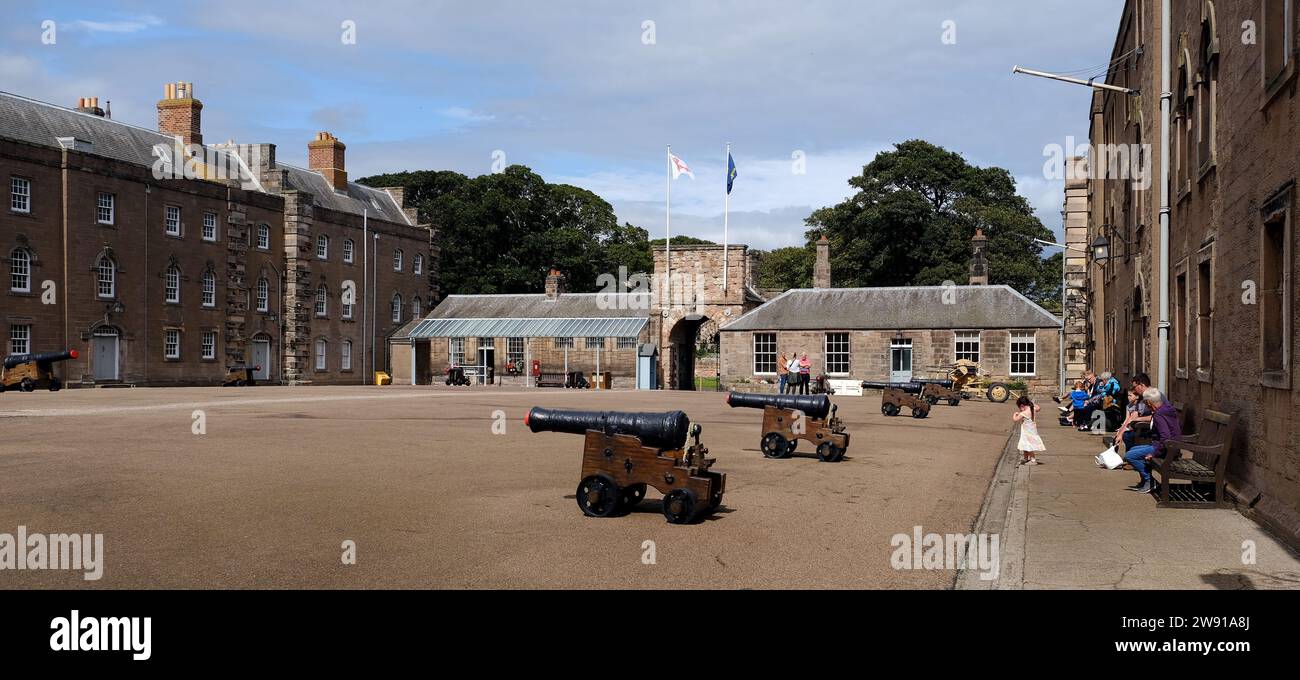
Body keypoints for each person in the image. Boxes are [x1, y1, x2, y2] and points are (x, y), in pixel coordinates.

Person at [1122, 389, 1183, 494]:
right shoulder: (1165, 409)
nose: (1145, 405)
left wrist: (1154, 453)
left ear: (1149, 402)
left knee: (1130, 455)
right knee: (1133, 449)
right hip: (1170, 446)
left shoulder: (1159, 414)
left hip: (1167, 449)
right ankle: (1145, 481)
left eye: (1145, 402)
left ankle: (1149, 481)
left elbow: (1165, 437)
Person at [1113, 373, 1162, 451]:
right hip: (1144, 427)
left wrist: (1138, 419)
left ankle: (1131, 456)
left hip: (1154, 429)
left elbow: (1157, 416)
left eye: (1134, 387)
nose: (1134, 389)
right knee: (1125, 435)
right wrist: (1120, 432)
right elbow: (1132, 417)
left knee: (1128, 436)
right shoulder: (1142, 397)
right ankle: (1130, 456)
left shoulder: (1153, 395)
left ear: (1141, 385)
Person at [1012, 395, 1045, 465]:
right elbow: (1039, 408)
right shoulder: (1032, 408)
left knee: (1029, 445)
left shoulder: (1024, 413)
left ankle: (1033, 460)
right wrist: (1031, 404)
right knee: (1025, 445)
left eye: (1020, 407)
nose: (1020, 410)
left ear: (1022, 406)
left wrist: (1015, 414)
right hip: (1032, 431)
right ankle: (1026, 458)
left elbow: (1015, 419)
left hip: (1027, 432)